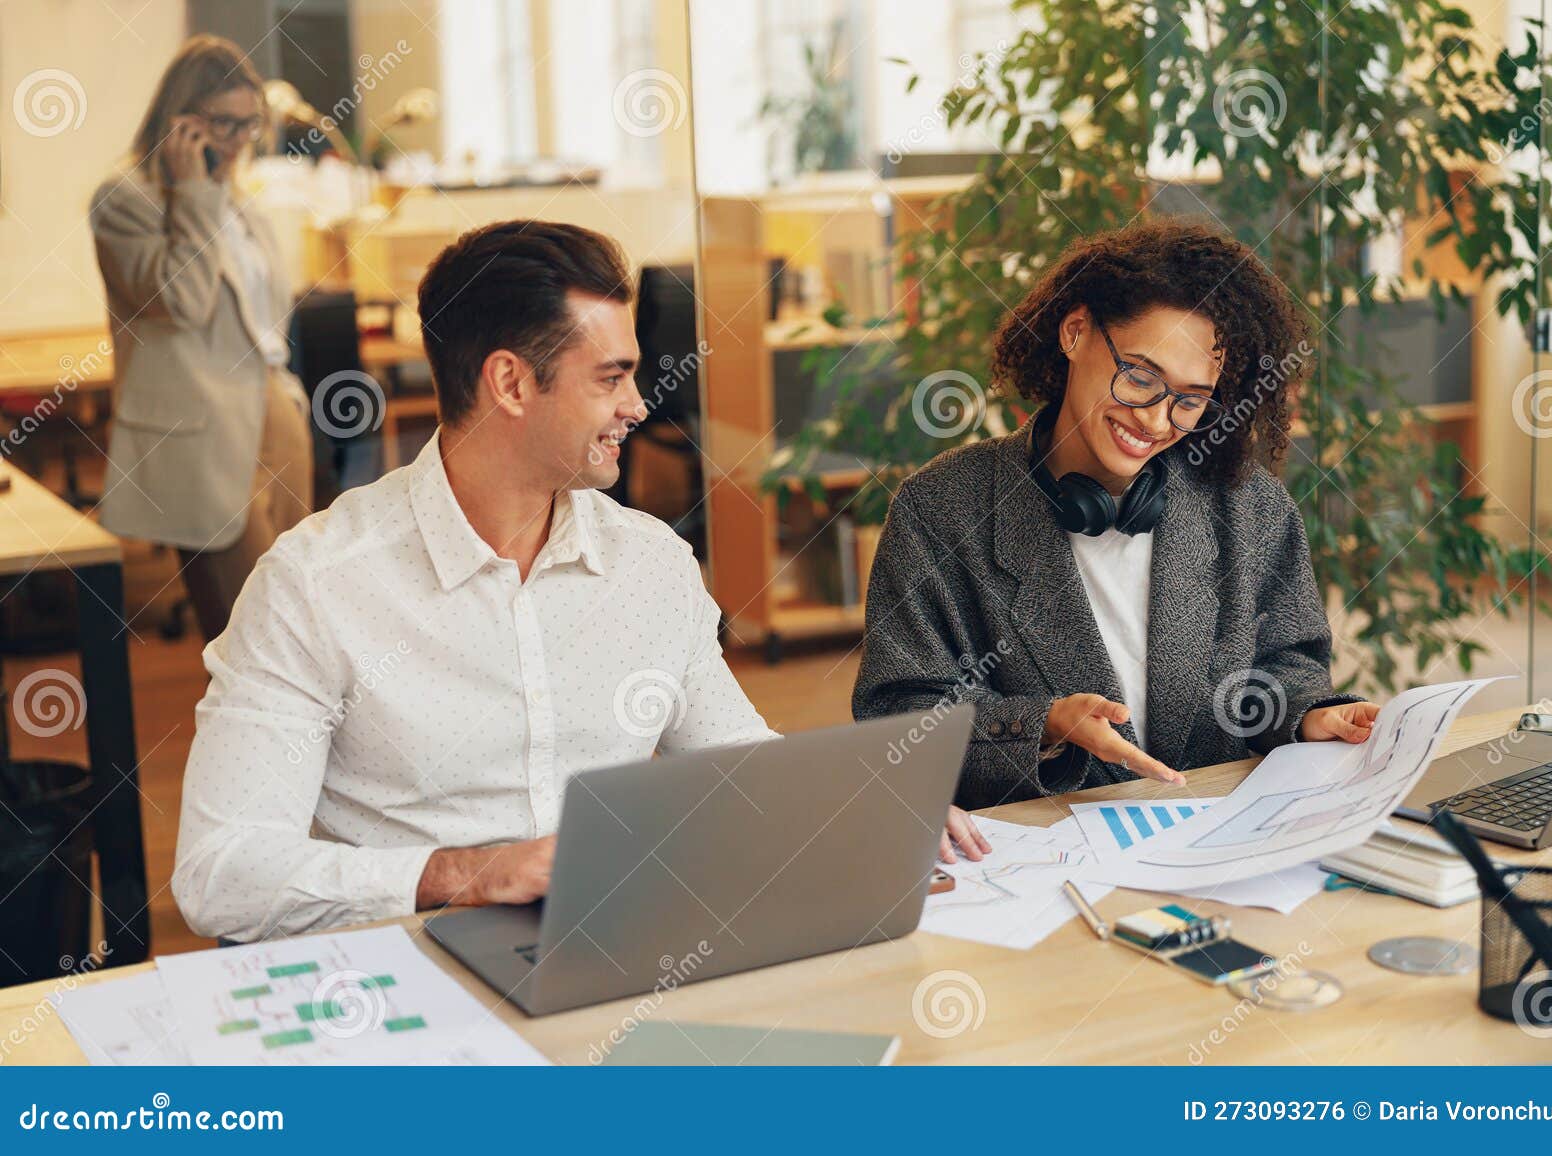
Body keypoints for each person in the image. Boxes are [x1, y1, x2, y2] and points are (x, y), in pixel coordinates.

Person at [173, 221, 777, 942]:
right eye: (611, 378)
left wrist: (874, 809)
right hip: (406, 983)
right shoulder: (314, 586)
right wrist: (467, 874)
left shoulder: (652, 564)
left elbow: (741, 769)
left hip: (614, 955)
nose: (639, 405)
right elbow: (221, 873)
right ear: (512, 383)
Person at [854, 219, 1380, 814]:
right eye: (1140, 377)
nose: (1156, 422)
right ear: (1075, 332)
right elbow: (896, 723)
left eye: (1190, 399)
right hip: (1038, 861)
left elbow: (1286, 663)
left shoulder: (1250, 506)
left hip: (1217, 845)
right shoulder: (941, 510)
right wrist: (1043, 725)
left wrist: (1309, 715)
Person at [90, 35, 312, 641]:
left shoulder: (239, 202)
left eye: (250, 124)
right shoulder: (125, 200)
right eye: (223, 124)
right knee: (248, 637)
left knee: (303, 616)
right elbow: (182, 303)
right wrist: (191, 192)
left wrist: (287, 397)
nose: (240, 141)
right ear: (180, 120)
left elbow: (269, 320)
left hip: (274, 417)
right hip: (203, 431)